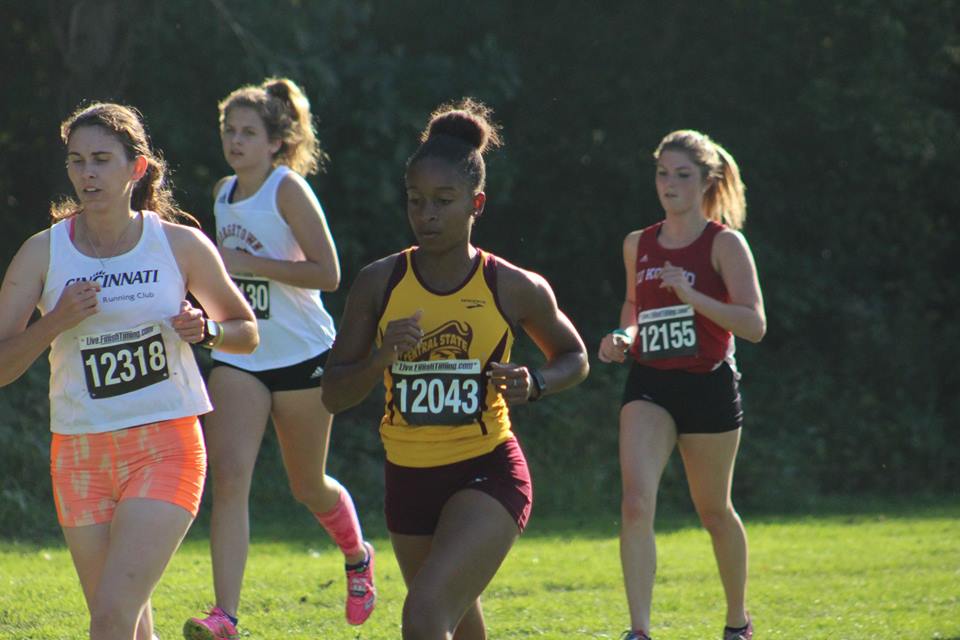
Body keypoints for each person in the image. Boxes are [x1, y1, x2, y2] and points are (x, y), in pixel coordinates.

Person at [322, 98, 589, 640]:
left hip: (486, 471)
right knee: (455, 626)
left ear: (477, 203)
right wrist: (380, 358)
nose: (428, 214)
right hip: (407, 478)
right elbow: (333, 394)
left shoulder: (512, 286)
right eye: (416, 201)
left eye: (444, 201)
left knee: (423, 617)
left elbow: (574, 357)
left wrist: (534, 383)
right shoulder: (380, 283)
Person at [0, 102, 258, 640]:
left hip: (166, 444)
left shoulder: (179, 244)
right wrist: (56, 322)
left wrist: (205, 330)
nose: (87, 174)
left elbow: (245, 329)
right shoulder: (42, 253)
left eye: (101, 160)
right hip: (79, 452)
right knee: (127, 626)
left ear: (136, 168)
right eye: (76, 162)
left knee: (112, 616)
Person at [182, 77, 375, 640]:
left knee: (306, 485)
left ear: (275, 142)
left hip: (305, 357)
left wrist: (250, 262)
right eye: (229, 130)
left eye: (248, 132)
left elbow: (329, 273)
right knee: (230, 479)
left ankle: (357, 554)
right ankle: (225, 617)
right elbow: (227, 278)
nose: (235, 141)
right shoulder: (222, 192)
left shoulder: (286, 188)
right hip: (242, 357)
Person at [598, 130, 766, 640]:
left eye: (682, 175)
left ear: (707, 181)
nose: (668, 184)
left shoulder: (725, 243)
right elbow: (635, 306)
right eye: (662, 174)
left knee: (714, 510)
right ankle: (640, 630)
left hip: (708, 385)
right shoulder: (638, 244)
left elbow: (754, 325)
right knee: (634, 501)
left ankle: (737, 622)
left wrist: (694, 297)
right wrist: (622, 335)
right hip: (650, 382)